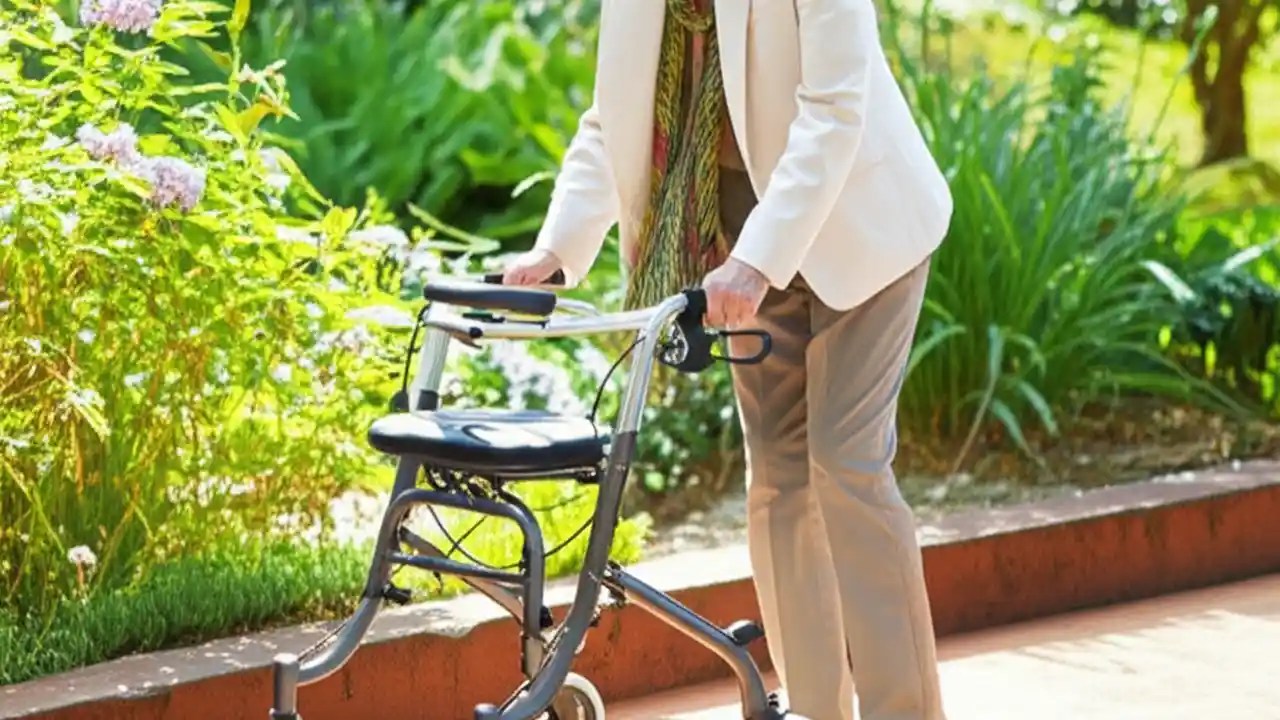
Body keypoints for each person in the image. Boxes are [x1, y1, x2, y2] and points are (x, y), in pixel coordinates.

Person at [503, 0, 953, 717]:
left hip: (862, 229)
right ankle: (814, 708)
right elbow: (614, 118)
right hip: (745, 237)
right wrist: (556, 248)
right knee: (777, 477)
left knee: (846, 463)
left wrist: (755, 262)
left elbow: (836, 110)